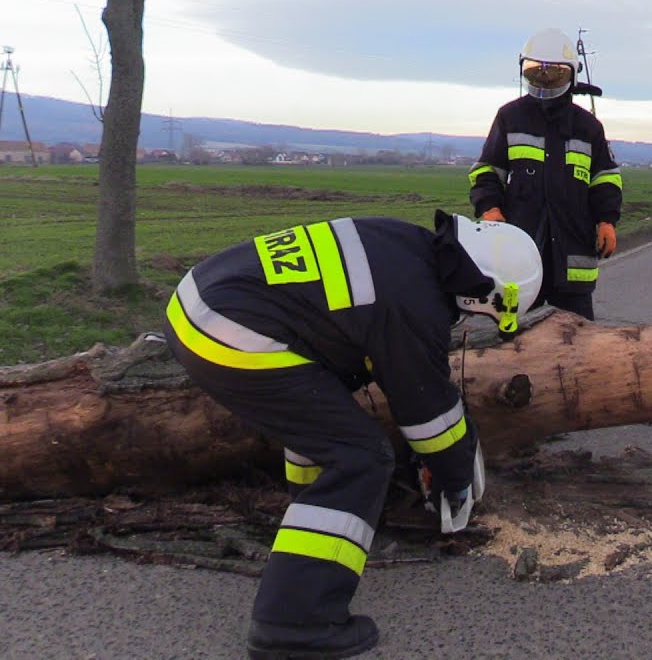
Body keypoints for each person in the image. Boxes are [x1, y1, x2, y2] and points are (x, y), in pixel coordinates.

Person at [162, 211, 542, 659]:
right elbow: (427, 412)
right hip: (230, 331)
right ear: (492, 295)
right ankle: (294, 624)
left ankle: (313, 528)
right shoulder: (414, 300)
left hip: (197, 302)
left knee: (325, 422)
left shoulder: (405, 241)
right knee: (360, 457)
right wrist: (457, 476)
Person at [468, 27, 623, 321]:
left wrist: (607, 220)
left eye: (553, 73)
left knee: (578, 342)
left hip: (573, 257)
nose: (544, 79)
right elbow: (487, 171)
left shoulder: (588, 127)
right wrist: (490, 208)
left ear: (571, 74)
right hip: (520, 258)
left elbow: (605, 179)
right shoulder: (510, 117)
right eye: (536, 72)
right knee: (515, 342)